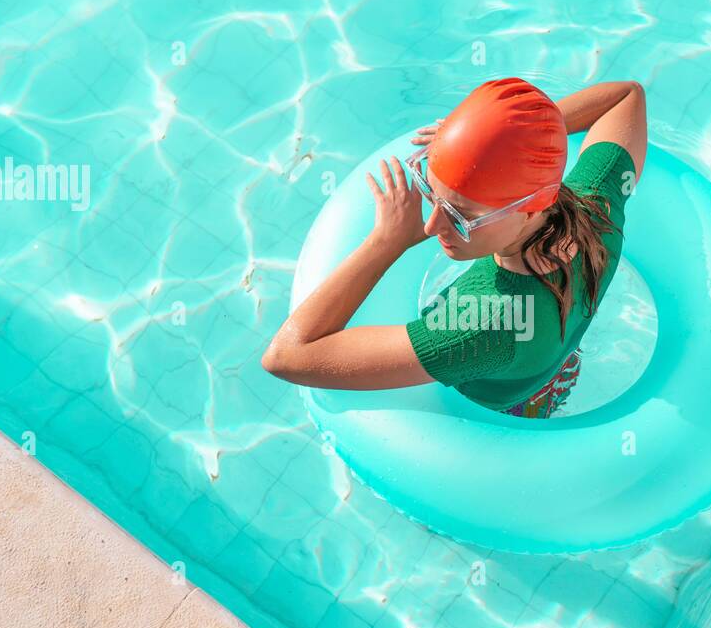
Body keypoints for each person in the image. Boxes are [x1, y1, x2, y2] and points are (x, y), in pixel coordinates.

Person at [263, 77, 647, 418]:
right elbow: (626, 96)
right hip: (551, 375)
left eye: (461, 216)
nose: (431, 226)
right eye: (432, 193)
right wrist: (505, 144)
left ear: (532, 208)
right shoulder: (597, 203)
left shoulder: (481, 325)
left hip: (499, 408)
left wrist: (386, 242)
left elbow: (287, 356)